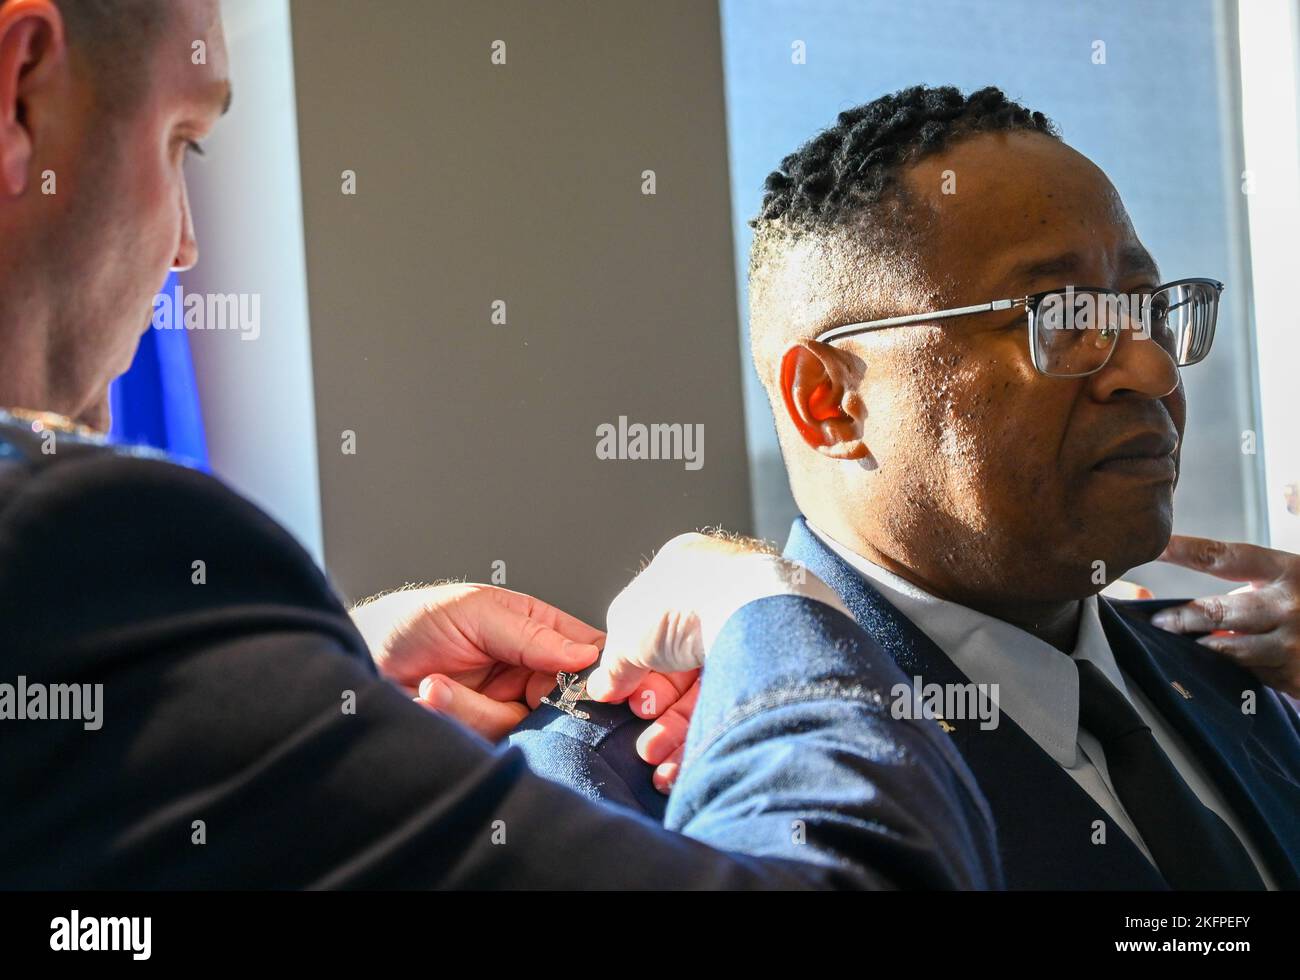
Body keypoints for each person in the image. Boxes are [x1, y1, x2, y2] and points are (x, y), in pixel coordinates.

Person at [0, 2, 1002, 889]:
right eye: (185, 140)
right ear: (19, 93)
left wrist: (301, 682)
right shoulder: (80, 542)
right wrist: (764, 602)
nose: (185, 246)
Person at [508, 86, 1300, 890]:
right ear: (829, 401)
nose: (1153, 367)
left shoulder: (1245, 679)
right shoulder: (621, 784)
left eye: (1146, 309)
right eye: (1060, 316)